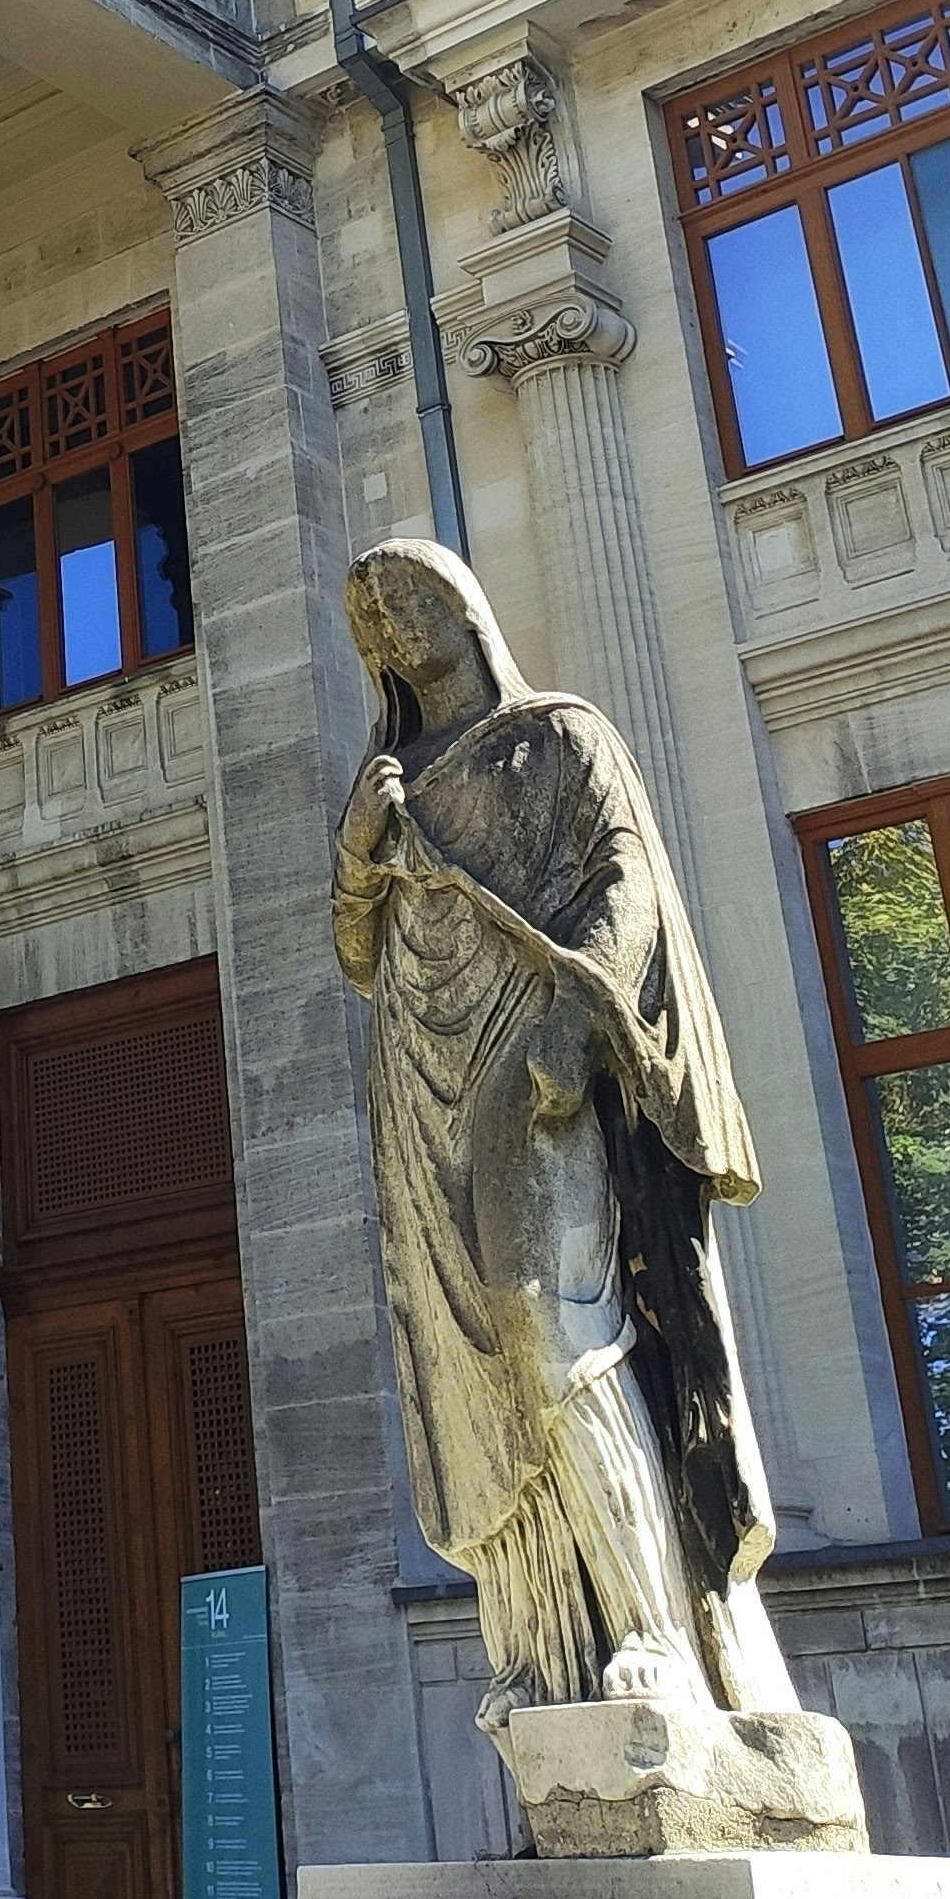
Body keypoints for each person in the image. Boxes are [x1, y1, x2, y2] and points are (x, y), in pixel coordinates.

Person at [333, 536, 797, 1725]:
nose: (388, 625)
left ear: (463, 604)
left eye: (404, 598)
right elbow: (357, 955)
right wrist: (355, 859)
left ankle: (658, 1625)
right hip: (421, 1073)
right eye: (369, 614)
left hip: (532, 1046)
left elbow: (625, 875)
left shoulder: (563, 735)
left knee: (552, 1320)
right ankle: (546, 1648)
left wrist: (574, 1021)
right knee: (472, 1363)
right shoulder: (390, 777)